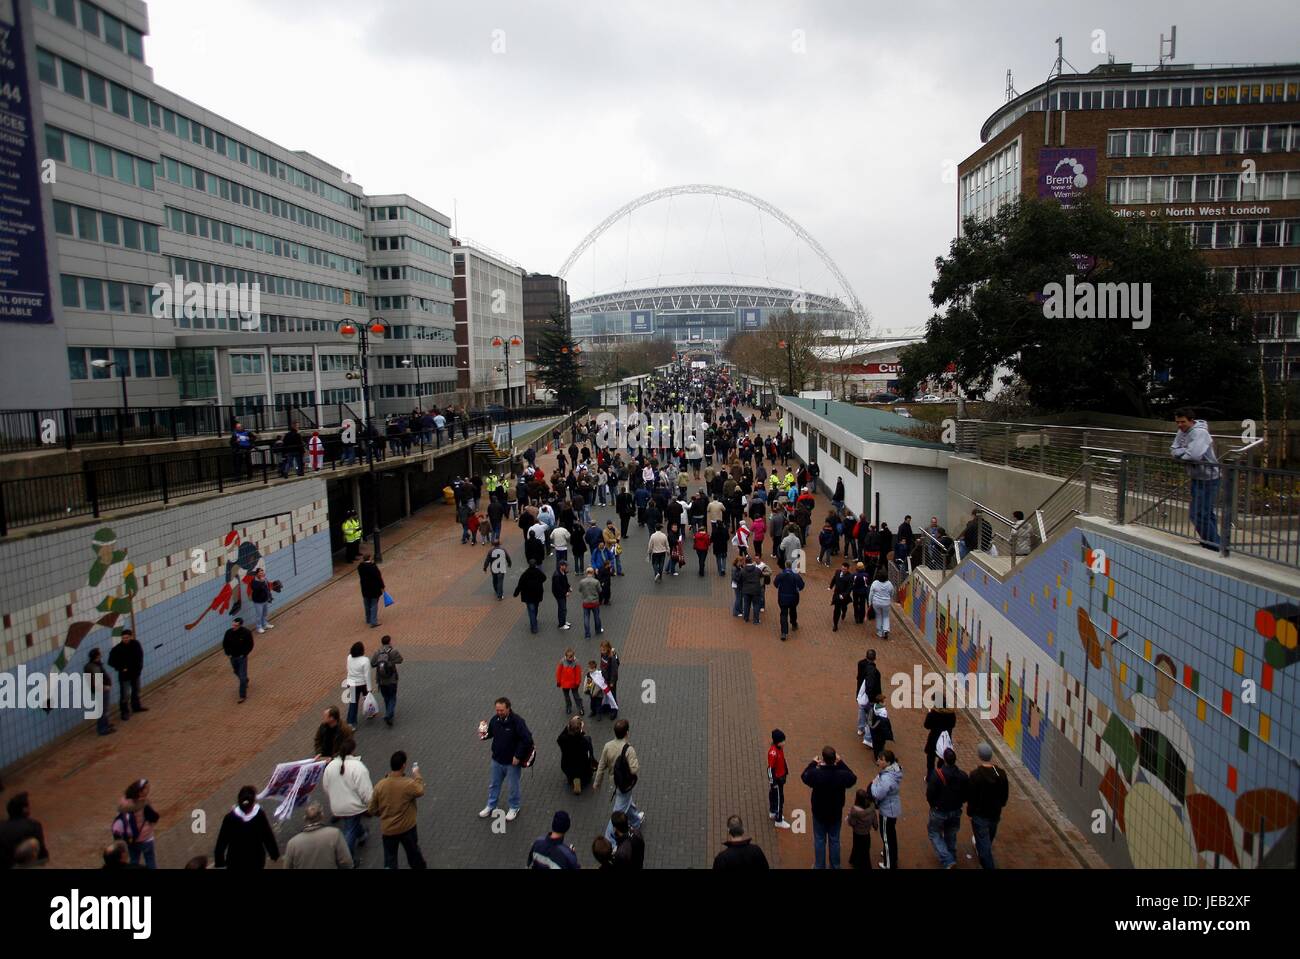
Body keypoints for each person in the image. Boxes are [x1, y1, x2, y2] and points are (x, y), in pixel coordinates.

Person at [1171, 408, 1222, 549]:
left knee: (1198, 514)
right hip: (1196, 477)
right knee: (1204, 512)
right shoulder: (1182, 431)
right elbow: (1173, 450)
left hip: (1209, 478)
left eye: (1183, 422)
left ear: (1191, 421)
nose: (1180, 425)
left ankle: (1215, 544)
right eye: (1177, 422)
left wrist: (1181, 453)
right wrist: (1183, 452)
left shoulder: (1200, 433)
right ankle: (1212, 541)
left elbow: (1194, 455)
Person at [800, 746, 857, 869]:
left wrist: (813, 763)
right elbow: (853, 778)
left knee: (819, 839)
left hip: (819, 812)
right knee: (834, 839)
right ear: (834, 758)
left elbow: (804, 776)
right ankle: (835, 865)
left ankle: (819, 865)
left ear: (823, 759)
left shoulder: (817, 774)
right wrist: (841, 762)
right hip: (835, 812)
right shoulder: (841, 775)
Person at [369, 751, 428, 869]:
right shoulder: (407, 784)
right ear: (403, 765)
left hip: (388, 830)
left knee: (390, 858)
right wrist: (417, 775)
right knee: (413, 853)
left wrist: (381, 814)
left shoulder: (380, 785)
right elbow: (420, 790)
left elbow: (371, 809)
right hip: (407, 827)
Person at [479, 697, 534, 821]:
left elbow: (527, 740)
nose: (499, 713)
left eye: (501, 710)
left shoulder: (517, 722)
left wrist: (518, 756)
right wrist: (483, 733)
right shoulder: (495, 720)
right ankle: (491, 805)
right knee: (494, 785)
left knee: (513, 786)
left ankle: (514, 807)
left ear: (508, 708)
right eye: (497, 710)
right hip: (496, 760)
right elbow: (490, 733)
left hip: (512, 763)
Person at [321, 737, 372, 865]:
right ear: (353, 750)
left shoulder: (331, 766)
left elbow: (326, 786)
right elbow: (365, 790)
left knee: (352, 824)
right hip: (353, 807)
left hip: (337, 806)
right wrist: (370, 804)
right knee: (349, 831)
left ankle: (362, 835)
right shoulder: (358, 767)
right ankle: (347, 860)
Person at [594, 718, 644, 843]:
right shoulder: (629, 749)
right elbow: (634, 769)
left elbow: (601, 765)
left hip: (615, 782)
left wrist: (597, 783)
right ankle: (609, 840)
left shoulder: (608, 746)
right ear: (627, 733)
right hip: (625, 785)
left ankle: (636, 820)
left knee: (626, 802)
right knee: (618, 812)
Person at [966, 742, 1010, 869]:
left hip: (980, 815)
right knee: (988, 840)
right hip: (995, 814)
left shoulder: (975, 775)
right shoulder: (1001, 773)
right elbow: (1004, 795)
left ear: (979, 755)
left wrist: (970, 812)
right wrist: (1000, 805)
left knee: (984, 846)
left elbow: (972, 797)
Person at [214, 785, 279, 869]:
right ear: (253, 802)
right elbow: (267, 836)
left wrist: (219, 861)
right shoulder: (259, 815)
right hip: (256, 860)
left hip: (234, 860)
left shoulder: (230, 818)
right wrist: (274, 853)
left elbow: (222, 840)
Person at [926, 747, 969, 869]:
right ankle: (952, 856)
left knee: (934, 833)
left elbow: (930, 794)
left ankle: (948, 859)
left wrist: (934, 805)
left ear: (944, 759)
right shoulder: (963, 776)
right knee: (951, 833)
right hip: (956, 811)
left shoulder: (936, 775)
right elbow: (966, 794)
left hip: (939, 811)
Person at [284, 802, 352, 869]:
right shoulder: (334, 834)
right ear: (322, 816)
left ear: (304, 818)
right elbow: (346, 861)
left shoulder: (292, 843)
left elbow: (287, 866)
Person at [870, 750, 903, 869]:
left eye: (881, 759)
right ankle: (890, 853)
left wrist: (873, 784)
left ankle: (889, 864)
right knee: (890, 834)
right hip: (892, 807)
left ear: (888, 762)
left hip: (887, 810)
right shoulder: (895, 771)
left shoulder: (887, 779)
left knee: (886, 837)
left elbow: (878, 794)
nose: (878, 761)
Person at [0, 793, 49, 869]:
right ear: (24, 809)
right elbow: (42, 854)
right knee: (33, 846)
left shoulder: (2, 826)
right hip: (20, 864)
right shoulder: (33, 825)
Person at [106, 628, 146, 721]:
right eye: (123, 638)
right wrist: (120, 668)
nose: (125, 639)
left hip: (135, 674)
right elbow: (110, 661)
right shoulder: (117, 649)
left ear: (131, 637)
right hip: (124, 676)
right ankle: (124, 712)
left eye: (127, 637)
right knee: (125, 695)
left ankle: (136, 707)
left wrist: (139, 668)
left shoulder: (136, 644)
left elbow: (140, 656)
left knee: (136, 691)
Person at [557, 715, 596, 795]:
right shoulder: (585, 741)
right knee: (586, 772)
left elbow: (560, 737)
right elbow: (589, 755)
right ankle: (581, 780)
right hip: (583, 769)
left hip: (568, 766)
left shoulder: (563, 740)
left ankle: (573, 779)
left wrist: (569, 725)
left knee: (571, 772)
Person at [371, 635, 403, 726]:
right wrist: (390, 663)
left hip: (381, 680)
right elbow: (400, 660)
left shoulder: (377, 652)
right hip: (392, 679)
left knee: (386, 697)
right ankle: (389, 714)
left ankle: (389, 714)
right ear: (389, 642)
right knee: (392, 697)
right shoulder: (393, 651)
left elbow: (372, 664)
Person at [221, 617, 254, 704]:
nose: (233, 627)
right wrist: (228, 654)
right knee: (236, 671)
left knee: (242, 677)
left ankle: (242, 696)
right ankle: (245, 680)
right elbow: (225, 644)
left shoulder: (246, 633)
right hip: (233, 657)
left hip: (242, 657)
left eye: (236, 625)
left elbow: (250, 644)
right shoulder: (228, 633)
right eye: (233, 625)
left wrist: (245, 654)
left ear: (240, 625)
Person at [83, 647, 115, 735]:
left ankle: (105, 724)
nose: (101, 654)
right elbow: (96, 682)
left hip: (99, 691)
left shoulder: (92, 665)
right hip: (101, 691)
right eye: (100, 653)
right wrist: (105, 687)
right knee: (103, 710)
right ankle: (102, 729)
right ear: (97, 656)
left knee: (103, 709)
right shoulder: (94, 667)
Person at [846, 789, 879, 870]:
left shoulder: (855, 811)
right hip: (866, 834)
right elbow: (875, 822)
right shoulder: (872, 809)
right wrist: (875, 826)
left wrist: (849, 817)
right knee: (865, 851)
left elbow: (852, 823)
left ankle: (855, 862)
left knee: (856, 848)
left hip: (857, 833)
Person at [514, 561, 547, 634]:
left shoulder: (525, 574)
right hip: (537, 594)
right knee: (535, 608)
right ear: (535, 565)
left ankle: (534, 627)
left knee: (531, 610)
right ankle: (534, 620)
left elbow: (520, 584)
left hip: (528, 596)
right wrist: (539, 582)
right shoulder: (538, 572)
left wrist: (516, 593)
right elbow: (544, 578)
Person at [773, 564, 804, 640]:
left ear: (785, 566)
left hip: (783, 598)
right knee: (793, 611)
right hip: (793, 598)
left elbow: (775, 584)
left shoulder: (780, 575)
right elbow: (801, 585)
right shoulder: (796, 576)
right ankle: (794, 624)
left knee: (783, 614)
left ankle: (784, 632)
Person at [344, 641, 371, 728]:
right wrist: (369, 688)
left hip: (351, 682)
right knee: (367, 698)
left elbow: (348, 668)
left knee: (353, 703)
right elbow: (367, 675)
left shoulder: (349, 657)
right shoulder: (365, 660)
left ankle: (350, 722)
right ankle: (370, 712)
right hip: (362, 683)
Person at [767, 729, 791, 828]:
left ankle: (773, 811)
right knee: (779, 799)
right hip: (777, 779)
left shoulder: (779, 749)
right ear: (778, 742)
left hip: (780, 777)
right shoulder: (773, 752)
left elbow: (782, 760)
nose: (784, 743)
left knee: (773, 795)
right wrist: (773, 782)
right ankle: (779, 820)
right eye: (783, 741)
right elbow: (770, 769)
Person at [357, 552, 385, 628]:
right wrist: (382, 586)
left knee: (366, 604)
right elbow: (378, 577)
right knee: (374, 605)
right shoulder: (373, 567)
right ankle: (373, 621)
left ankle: (368, 619)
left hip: (365, 589)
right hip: (374, 589)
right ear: (370, 558)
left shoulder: (360, 567)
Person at [556, 648, 584, 717]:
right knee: (567, 697)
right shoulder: (562, 661)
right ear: (566, 656)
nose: (571, 658)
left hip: (574, 683)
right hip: (565, 683)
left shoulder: (576, 662)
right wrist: (558, 681)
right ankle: (568, 707)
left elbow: (578, 673)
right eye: (569, 656)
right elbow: (558, 672)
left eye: (572, 656)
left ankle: (580, 708)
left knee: (576, 696)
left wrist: (578, 682)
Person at [869, 568, 895, 639]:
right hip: (886, 603)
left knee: (878, 616)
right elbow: (892, 593)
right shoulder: (889, 584)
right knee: (886, 616)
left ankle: (879, 632)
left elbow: (871, 594)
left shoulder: (875, 583)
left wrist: (869, 602)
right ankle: (886, 629)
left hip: (876, 603)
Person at [829, 561, 853, 632]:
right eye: (842, 568)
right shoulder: (837, 572)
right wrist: (830, 587)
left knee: (844, 607)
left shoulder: (850, 577)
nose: (843, 570)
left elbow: (849, 588)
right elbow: (834, 579)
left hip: (844, 596)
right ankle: (835, 625)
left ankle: (844, 613)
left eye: (844, 569)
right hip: (837, 595)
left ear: (847, 569)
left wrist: (844, 595)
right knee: (836, 610)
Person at [249, 569, 274, 633]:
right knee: (259, 615)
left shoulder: (264, 579)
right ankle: (259, 627)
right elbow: (256, 589)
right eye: (260, 573)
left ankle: (265, 624)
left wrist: (269, 596)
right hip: (258, 602)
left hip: (265, 600)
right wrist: (262, 582)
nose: (262, 574)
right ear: (257, 574)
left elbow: (267, 588)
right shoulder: (254, 581)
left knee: (265, 614)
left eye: (262, 573)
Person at [551, 560, 572, 632]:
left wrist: (568, 587)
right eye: (565, 566)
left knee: (563, 608)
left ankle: (563, 621)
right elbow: (558, 587)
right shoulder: (557, 575)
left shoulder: (562, 572)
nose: (566, 567)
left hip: (561, 594)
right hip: (559, 595)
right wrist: (565, 593)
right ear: (561, 566)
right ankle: (561, 625)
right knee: (562, 608)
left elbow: (565, 582)